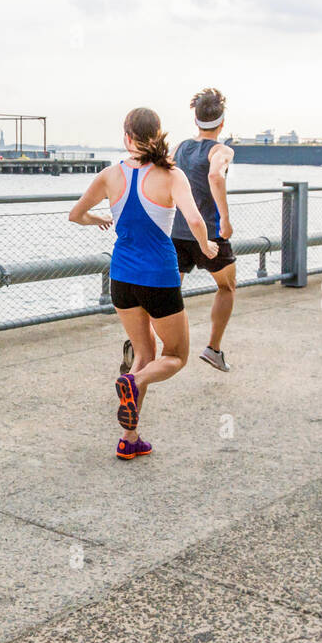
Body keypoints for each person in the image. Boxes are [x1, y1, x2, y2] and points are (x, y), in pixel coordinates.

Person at [68, 107, 216, 458]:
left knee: (144, 352)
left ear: (126, 137)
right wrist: (207, 244)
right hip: (159, 278)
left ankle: (129, 439)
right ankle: (135, 381)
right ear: (159, 134)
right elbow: (194, 219)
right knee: (175, 355)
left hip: (121, 278)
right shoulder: (170, 174)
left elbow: (75, 215)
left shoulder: (109, 175)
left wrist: (100, 219)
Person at [172, 88, 236, 371]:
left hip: (176, 232)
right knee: (227, 286)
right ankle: (213, 348)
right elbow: (214, 176)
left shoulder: (180, 147)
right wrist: (225, 218)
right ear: (221, 122)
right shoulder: (222, 150)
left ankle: (143, 344)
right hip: (209, 234)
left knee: (169, 291)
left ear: (196, 120)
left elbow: (164, 175)